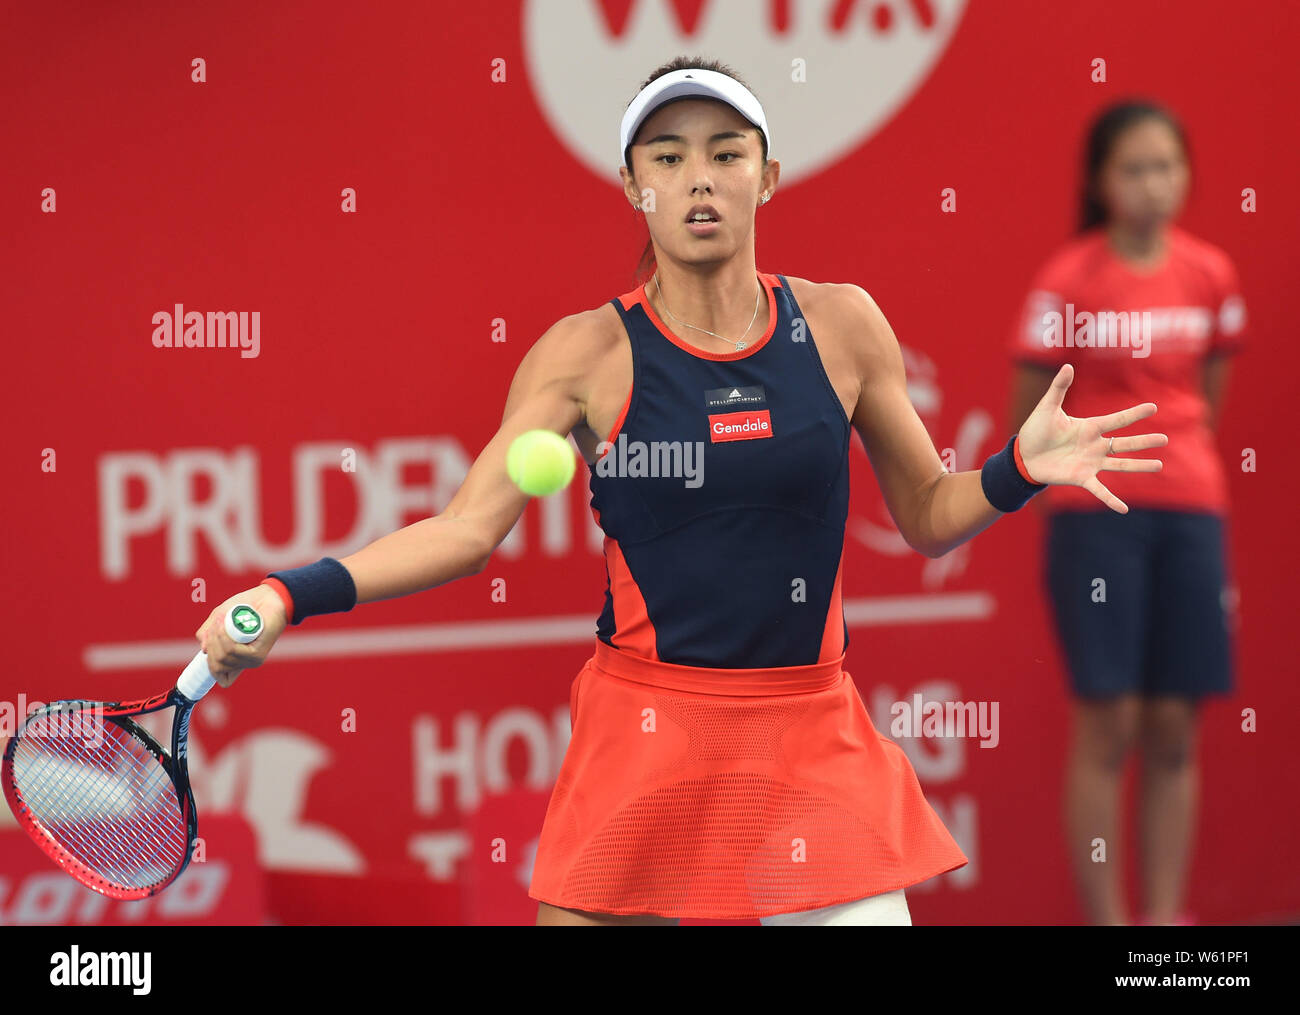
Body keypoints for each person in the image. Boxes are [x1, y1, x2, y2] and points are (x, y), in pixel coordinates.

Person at [197, 58, 1167, 926]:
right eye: (665, 156)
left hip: (810, 734)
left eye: (725, 151)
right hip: (645, 737)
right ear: (633, 186)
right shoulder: (585, 353)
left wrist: (1014, 470)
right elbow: (464, 531)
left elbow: (925, 515)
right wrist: (287, 591)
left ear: (766, 175)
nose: (697, 176)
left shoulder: (840, 326)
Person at [1007, 100, 1245, 926]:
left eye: (1168, 166)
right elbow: (1030, 426)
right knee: (1109, 720)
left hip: (1192, 511)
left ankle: (1166, 927)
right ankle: (1109, 926)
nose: (1155, 185)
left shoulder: (1212, 273)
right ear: (1100, 182)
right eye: (1136, 169)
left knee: (1176, 722)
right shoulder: (1063, 285)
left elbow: (1205, 398)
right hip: (1095, 515)